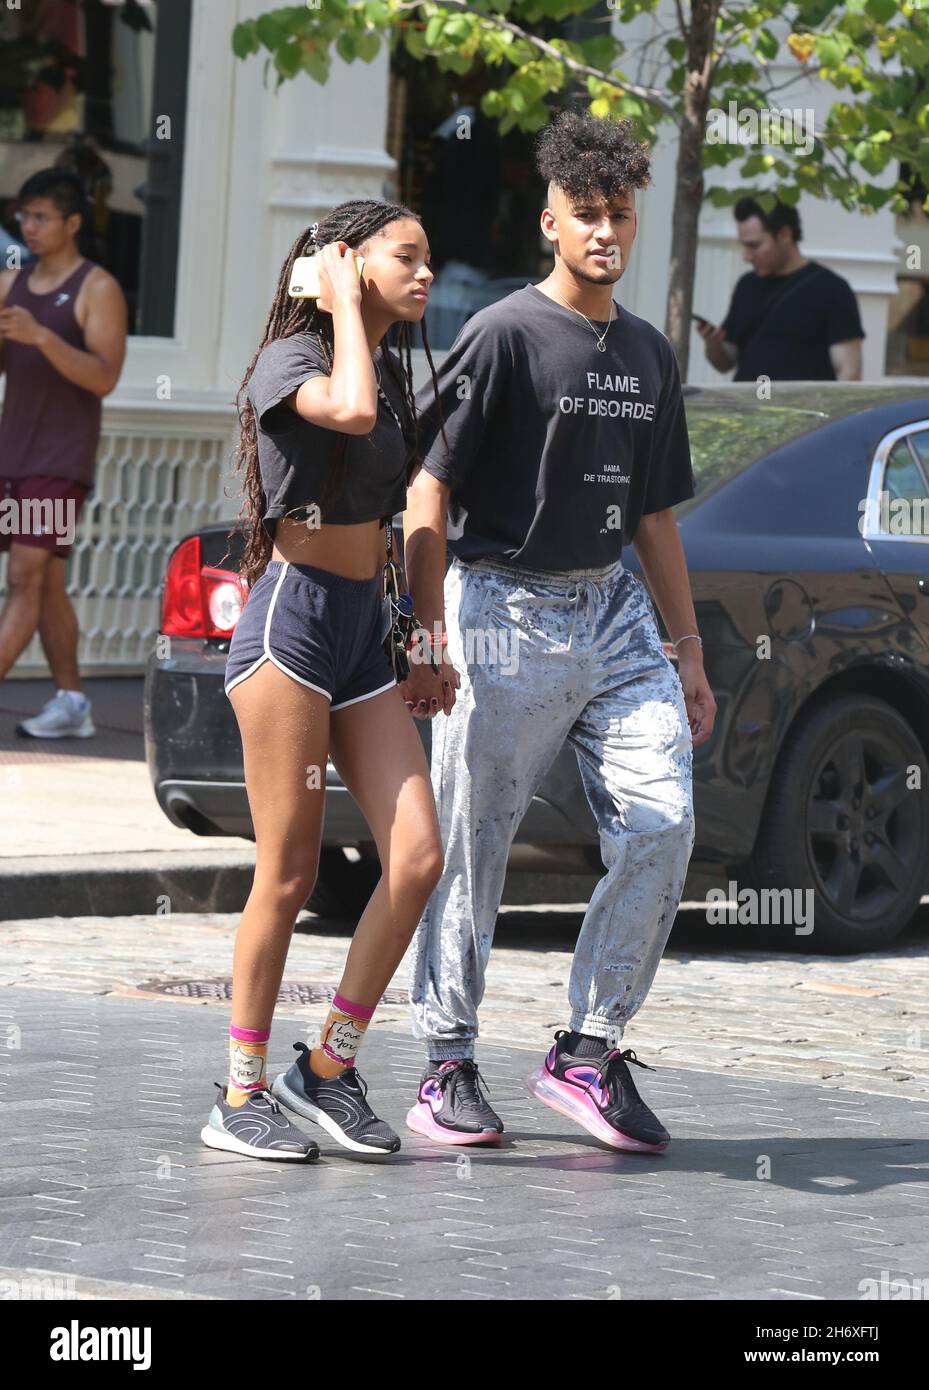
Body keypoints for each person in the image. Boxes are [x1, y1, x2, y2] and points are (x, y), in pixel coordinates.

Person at [401, 110, 717, 1153]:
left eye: (618, 215)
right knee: (470, 841)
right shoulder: (499, 334)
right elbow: (426, 491)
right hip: (502, 608)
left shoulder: (647, 352)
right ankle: (444, 1059)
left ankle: (586, 1051)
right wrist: (428, 629)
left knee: (663, 818)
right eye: (584, 214)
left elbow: (655, 515)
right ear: (549, 220)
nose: (603, 233)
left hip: (614, 607)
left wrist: (688, 649)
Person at [201, 199, 448, 1162]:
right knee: (291, 870)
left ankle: (330, 1068)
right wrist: (342, 303)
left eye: (431, 258)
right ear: (344, 263)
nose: (427, 273)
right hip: (290, 626)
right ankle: (240, 1090)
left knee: (419, 855)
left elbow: (418, 505)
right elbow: (340, 414)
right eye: (406, 257)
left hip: (359, 635)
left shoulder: (387, 375)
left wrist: (424, 636)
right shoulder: (294, 364)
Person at [0, 168, 127, 736]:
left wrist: (43, 336)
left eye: (41, 216)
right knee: (45, 580)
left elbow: (105, 376)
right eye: (24, 215)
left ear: (73, 222)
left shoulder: (97, 287)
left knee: (24, 577)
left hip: (60, 459)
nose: (28, 226)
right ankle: (73, 701)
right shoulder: (11, 283)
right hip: (13, 452)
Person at [699, 197, 864, 382]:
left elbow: (849, 372)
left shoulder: (832, 289)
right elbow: (725, 363)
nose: (746, 256)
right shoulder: (746, 285)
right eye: (744, 245)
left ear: (785, 234)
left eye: (754, 245)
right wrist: (712, 344)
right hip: (745, 407)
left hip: (802, 408)